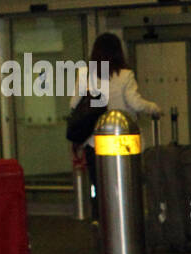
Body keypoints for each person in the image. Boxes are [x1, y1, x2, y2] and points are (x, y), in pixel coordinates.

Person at [69, 33, 161, 220]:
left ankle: (101, 225)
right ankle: (126, 224)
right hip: (123, 142)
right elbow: (135, 104)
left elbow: (73, 105)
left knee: (99, 187)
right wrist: (155, 109)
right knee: (126, 187)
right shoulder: (125, 75)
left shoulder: (85, 73)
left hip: (95, 142)